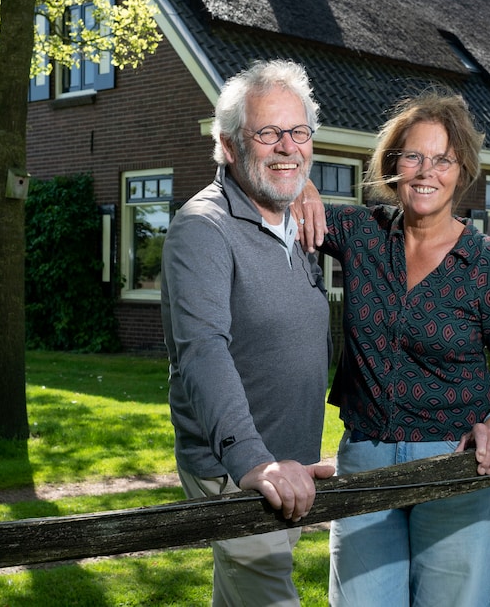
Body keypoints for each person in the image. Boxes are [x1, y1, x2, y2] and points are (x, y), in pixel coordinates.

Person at [296, 89, 490, 606]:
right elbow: (278, 199)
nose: (425, 171)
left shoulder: (489, 265)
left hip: (457, 466)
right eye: (413, 156)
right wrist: (300, 189)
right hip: (366, 466)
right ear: (393, 165)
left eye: (442, 159)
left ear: (462, 171)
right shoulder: (361, 233)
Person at [160, 59, 336, 607]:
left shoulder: (298, 222)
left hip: (291, 458)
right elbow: (202, 354)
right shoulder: (202, 229)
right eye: (268, 133)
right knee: (268, 597)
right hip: (236, 467)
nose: (286, 147)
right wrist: (252, 462)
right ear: (230, 146)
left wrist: (304, 188)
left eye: (297, 133)